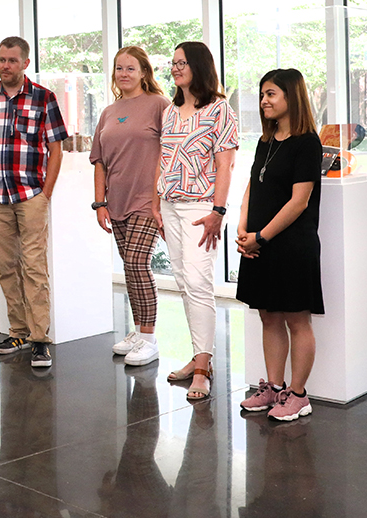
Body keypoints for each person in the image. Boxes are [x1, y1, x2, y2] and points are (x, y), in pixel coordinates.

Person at [0, 36, 68, 369]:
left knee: (34, 267)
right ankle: (19, 332)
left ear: (25, 63)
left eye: (12, 60)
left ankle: (41, 339)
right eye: (1, 60)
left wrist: (46, 191)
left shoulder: (44, 98)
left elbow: (56, 149)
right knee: (7, 267)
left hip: (31, 195)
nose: (5, 66)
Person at [236, 68, 323, 422]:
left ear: (291, 97)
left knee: (296, 320)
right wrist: (243, 228)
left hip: (290, 245)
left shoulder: (307, 143)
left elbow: (299, 201)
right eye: (262, 94)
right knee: (268, 316)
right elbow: (252, 187)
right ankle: (273, 388)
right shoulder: (265, 141)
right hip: (258, 242)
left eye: (271, 94)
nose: (264, 101)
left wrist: (262, 236)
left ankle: (299, 396)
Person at [158, 41, 238, 400]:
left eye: (182, 63)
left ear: (199, 66)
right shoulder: (170, 111)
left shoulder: (219, 109)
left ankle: (203, 369)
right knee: (183, 282)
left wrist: (217, 212)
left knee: (199, 282)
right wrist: (156, 204)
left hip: (200, 207)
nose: (175, 69)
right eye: (173, 63)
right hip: (170, 205)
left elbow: (226, 164)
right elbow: (162, 161)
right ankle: (198, 355)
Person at [90, 46, 171, 366]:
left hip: (147, 201)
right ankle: (139, 331)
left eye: (130, 69)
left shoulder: (159, 105)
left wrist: (160, 199)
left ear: (144, 73)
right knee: (130, 267)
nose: (124, 74)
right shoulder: (109, 112)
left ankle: (149, 338)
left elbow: (170, 152)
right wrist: (100, 202)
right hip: (117, 201)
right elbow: (99, 162)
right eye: (119, 68)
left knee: (138, 263)